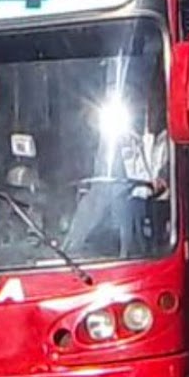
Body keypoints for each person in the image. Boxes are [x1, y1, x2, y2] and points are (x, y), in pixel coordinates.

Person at [62, 94, 170, 257]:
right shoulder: (116, 138)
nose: (149, 108)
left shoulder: (172, 138)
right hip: (125, 221)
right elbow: (99, 190)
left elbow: (172, 180)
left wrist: (163, 180)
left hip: (163, 223)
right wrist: (72, 244)